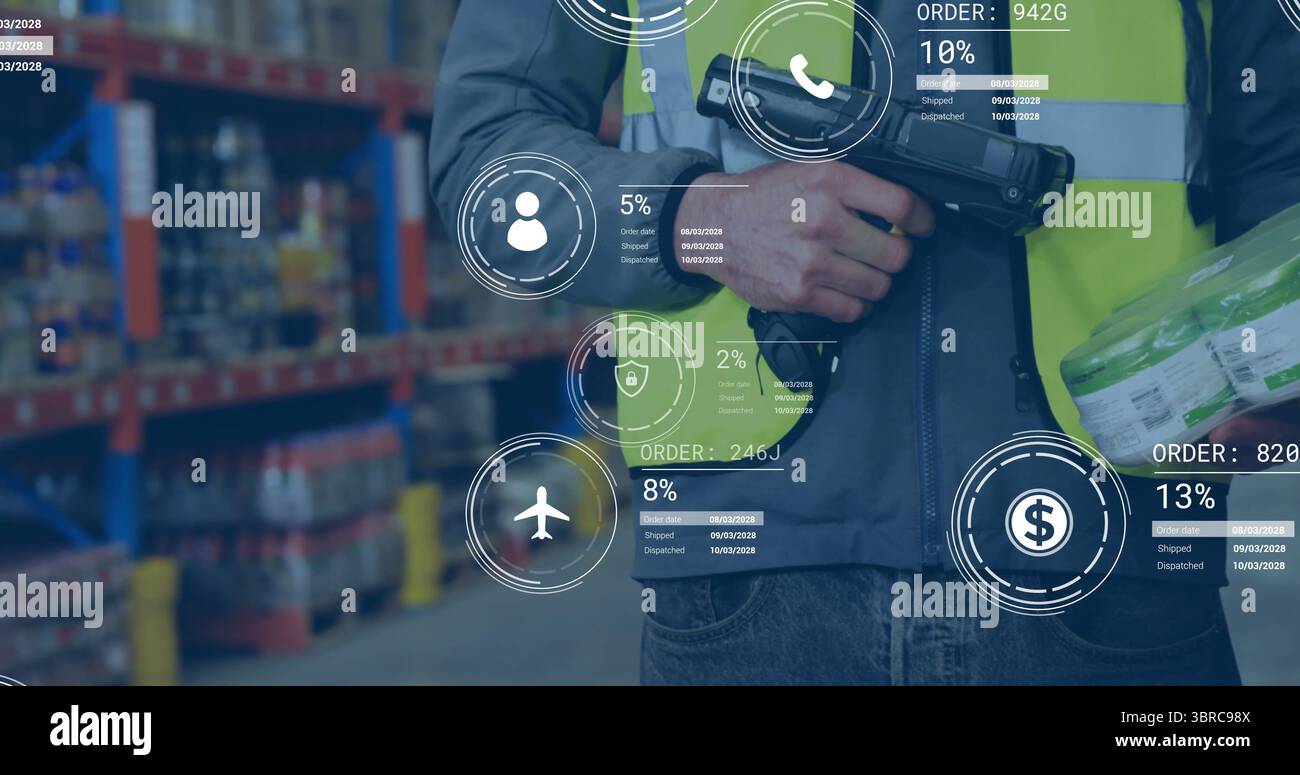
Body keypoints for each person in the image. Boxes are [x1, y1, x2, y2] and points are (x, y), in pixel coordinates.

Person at [430, 1, 1300, 684]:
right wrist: (698, 223)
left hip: (1116, 564)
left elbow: (1280, 151)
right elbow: (486, 164)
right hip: (746, 582)